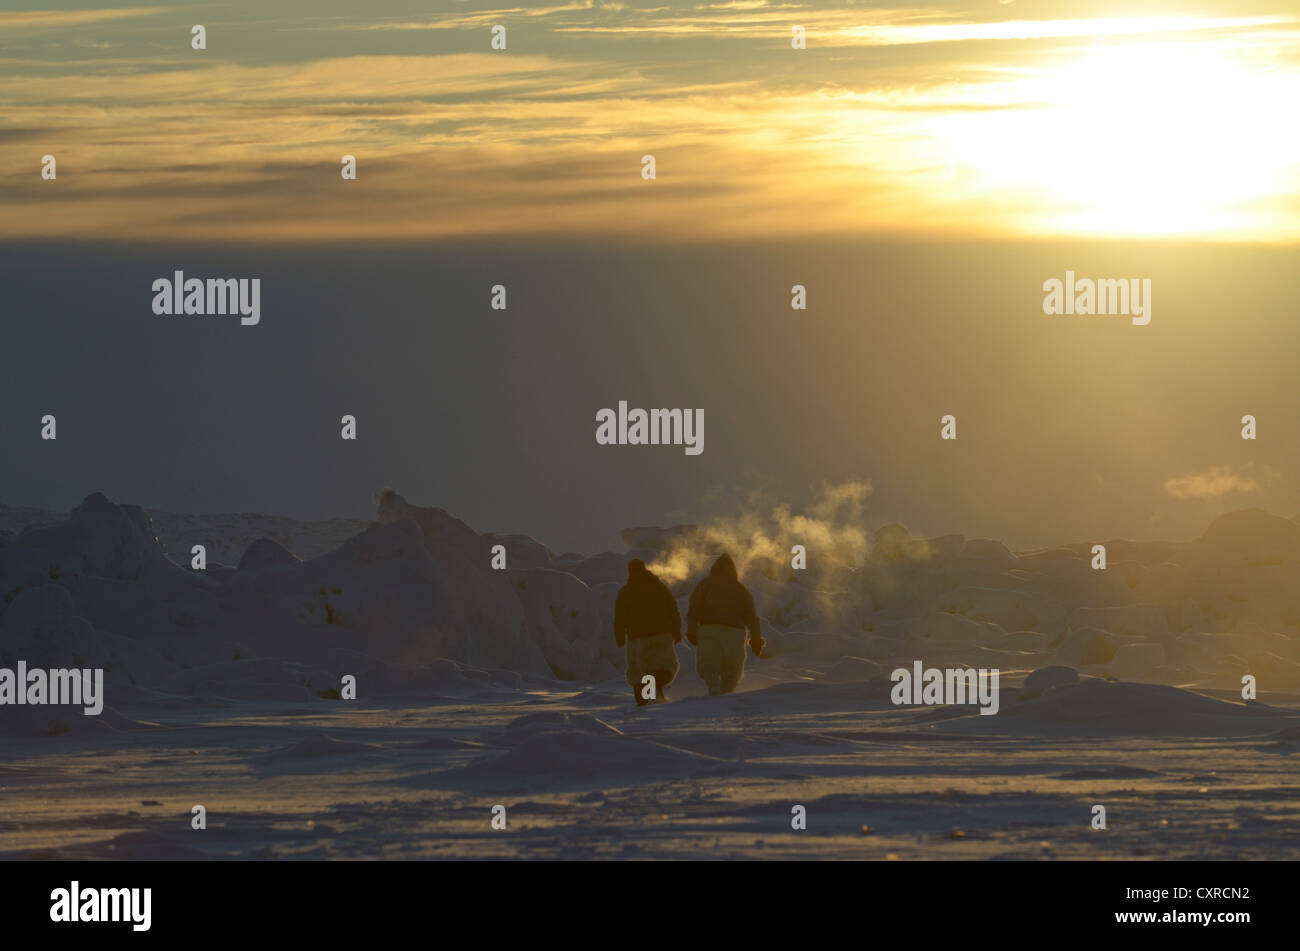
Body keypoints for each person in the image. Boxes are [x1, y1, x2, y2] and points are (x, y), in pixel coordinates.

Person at [686, 553, 765, 695]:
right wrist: (756, 639)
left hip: (708, 629)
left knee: (708, 665)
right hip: (734, 632)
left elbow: (694, 609)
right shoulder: (740, 589)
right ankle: (727, 694)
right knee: (732, 668)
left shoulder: (705, 585)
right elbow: (751, 616)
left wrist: (691, 630)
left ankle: (713, 689)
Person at [614, 559, 682, 706]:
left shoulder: (626, 591)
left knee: (640, 672)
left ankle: (645, 701)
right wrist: (676, 630)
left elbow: (620, 616)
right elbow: (672, 608)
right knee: (664, 667)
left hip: (637, 639)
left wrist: (619, 636)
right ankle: (655, 695)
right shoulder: (659, 587)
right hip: (661, 634)